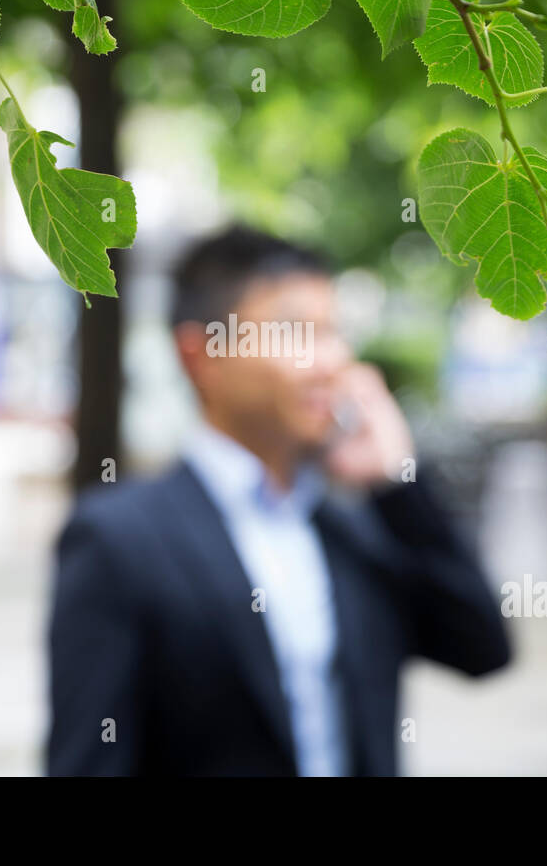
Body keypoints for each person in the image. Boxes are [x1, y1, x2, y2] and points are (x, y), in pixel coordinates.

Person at [46, 227, 512, 776]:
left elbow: (482, 649)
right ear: (202, 356)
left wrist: (396, 483)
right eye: (297, 333)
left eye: (334, 331)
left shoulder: (349, 529)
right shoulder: (119, 540)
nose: (333, 360)